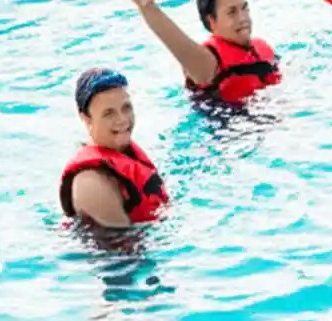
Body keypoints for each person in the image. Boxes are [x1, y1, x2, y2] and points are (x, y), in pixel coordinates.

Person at [60, 68, 169, 228]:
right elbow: (121, 250)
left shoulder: (124, 153)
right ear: (86, 119)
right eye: (108, 113)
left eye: (126, 108)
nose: (122, 120)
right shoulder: (92, 184)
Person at [131, 0, 280, 104]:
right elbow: (175, 41)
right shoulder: (208, 63)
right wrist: (147, 7)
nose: (243, 18)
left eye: (244, 8)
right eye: (232, 12)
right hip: (233, 135)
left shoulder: (261, 47)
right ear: (211, 21)